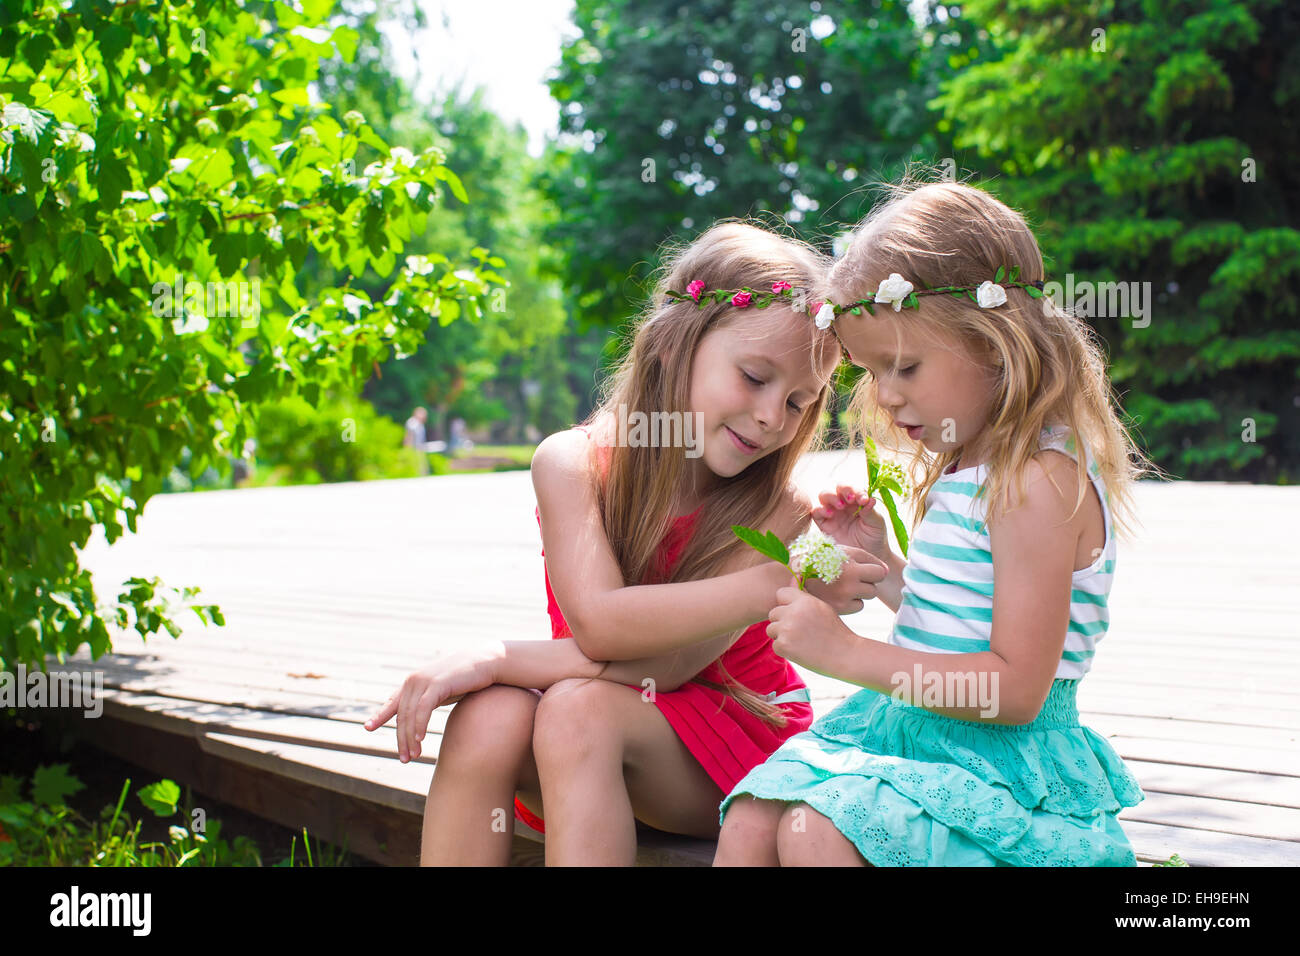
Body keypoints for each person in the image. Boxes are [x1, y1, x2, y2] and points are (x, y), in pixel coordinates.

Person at [364, 222, 886, 865]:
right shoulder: (573, 463)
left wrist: (494, 655)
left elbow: (653, 665)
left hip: (740, 743)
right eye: (754, 377)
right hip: (588, 725)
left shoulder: (779, 512)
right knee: (486, 718)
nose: (772, 416)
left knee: (577, 709)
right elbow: (601, 625)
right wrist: (496, 672)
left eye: (800, 401)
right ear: (673, 344)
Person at [714, 178, 1153, 866]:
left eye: (905, 366)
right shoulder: (968, 464)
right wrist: (890, 569)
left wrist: (848, 656)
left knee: (816, 829)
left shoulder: (1038, 482)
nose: (885, 396)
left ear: (994, 341)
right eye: (870, 371)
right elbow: (960, 617)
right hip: (916, 731)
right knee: (750, 818)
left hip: (1000, 760)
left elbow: (1014, 691)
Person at [404, 406, 429, 475]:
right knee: (414, 463)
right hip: (414, 448)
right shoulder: (412, 422)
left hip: (419, 447)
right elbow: (409, 435)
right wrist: (408, 448)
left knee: (421, 464)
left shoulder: (419, 423)